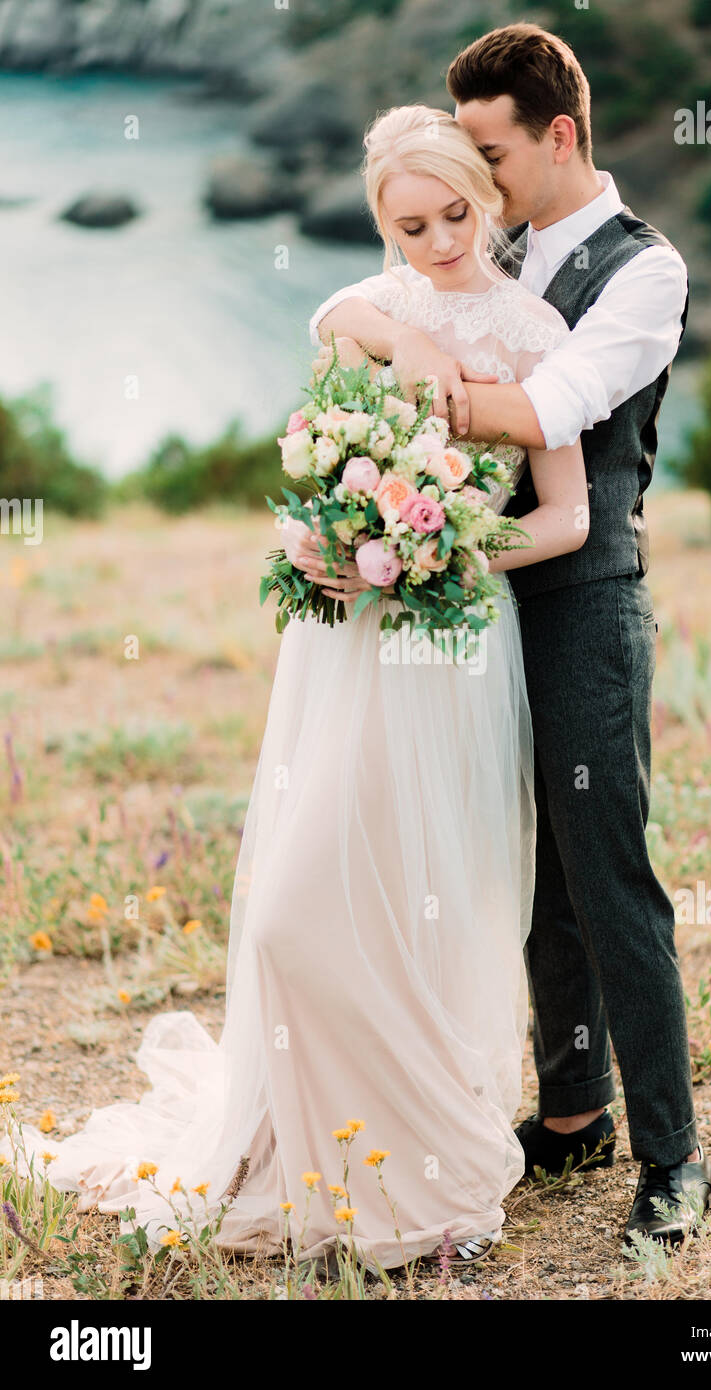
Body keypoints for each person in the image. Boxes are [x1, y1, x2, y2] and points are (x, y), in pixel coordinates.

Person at [14, 103, 588, 1271]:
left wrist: (448, 549)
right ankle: (312, 1151)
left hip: (447, 646)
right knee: (288, 910)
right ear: (383, 224)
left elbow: (569, 517)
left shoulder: (534, 332)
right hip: (341, 644)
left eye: (450, 215)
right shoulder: (370, 318)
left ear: (483, 202)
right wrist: (330, 537)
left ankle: (421, 1164)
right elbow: (331, 364)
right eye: (406, 223)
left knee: (422, 902)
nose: (433, 241)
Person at [309, 22, 711, 1246]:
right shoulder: (481, 247)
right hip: (463, 614)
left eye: (488, 153)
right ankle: (571, 1112)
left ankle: (674, 1158)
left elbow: (553, 404)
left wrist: (420, 386)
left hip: (581, 592)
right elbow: (345, 303)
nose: (470, 186)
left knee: (604, 873)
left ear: (557, 134)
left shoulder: (644, 272)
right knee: (515, 874)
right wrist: (405, 335)